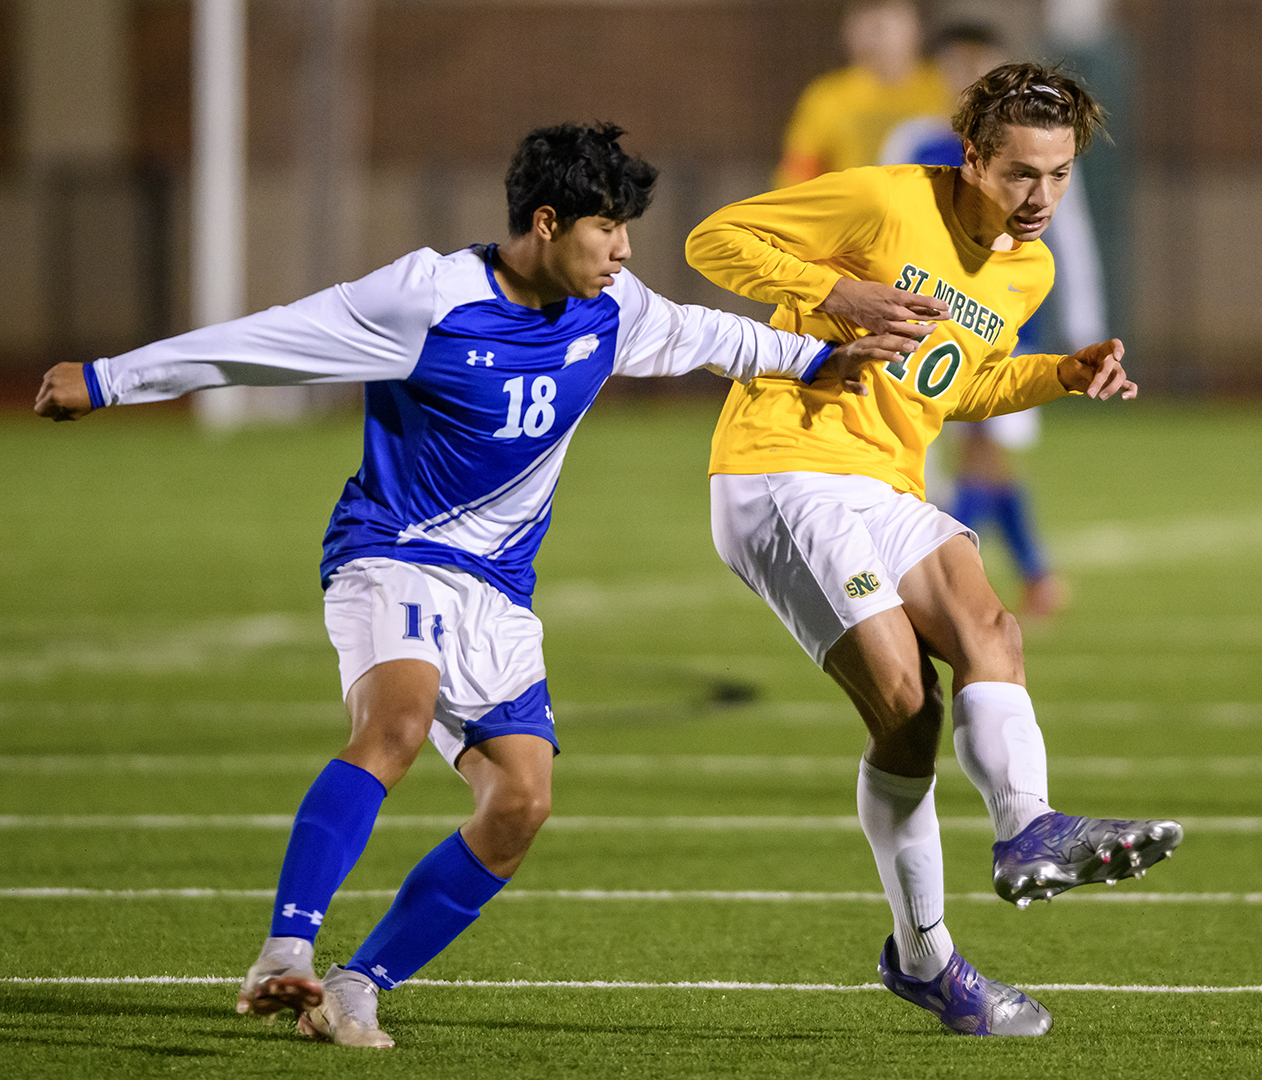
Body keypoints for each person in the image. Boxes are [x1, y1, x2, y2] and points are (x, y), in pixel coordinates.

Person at [32, 122, 904, 1048]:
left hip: (498, 587)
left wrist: (818, 358)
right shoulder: (425, 299)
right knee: (397, 725)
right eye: (607, 228)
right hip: (392, 553)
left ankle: (357, 985)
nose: (624, 250)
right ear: (545, 221)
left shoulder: (612, 307)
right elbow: (268, 342)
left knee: (521, 804)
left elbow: (701, 334)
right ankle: (286, 950)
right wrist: (109, 379)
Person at [686, 62, 1181, 1036]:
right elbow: (716, 240)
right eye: (1020, 174)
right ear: (971, 157)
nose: (1041, 198)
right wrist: (841, 293)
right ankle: (934, 947)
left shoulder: (1026, 269)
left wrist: (1060, 374)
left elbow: (963, 384)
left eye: (1060, 175)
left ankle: (1022, 835)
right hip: (782, 466)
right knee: (907, 699)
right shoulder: (883, 202)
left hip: (890, 482)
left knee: (989, 628)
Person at [879, 22, 1099, 618]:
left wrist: (1083, 326)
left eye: (980, 62)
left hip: (1000, 325)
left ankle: (931, 580)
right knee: (952, 461)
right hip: (921, 325)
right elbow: (882, 230)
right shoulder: (914, 141)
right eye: (956, 64)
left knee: (983, 451)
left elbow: (1070, 238)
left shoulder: (1036, 148)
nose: (966, 74)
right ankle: (1031, 575)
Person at [773, 0, 951, 188]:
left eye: (888, 18)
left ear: (917, 28)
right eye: (866, 18)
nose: (877, 32)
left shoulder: (946, 87)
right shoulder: (828, 96)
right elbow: (798, 172)